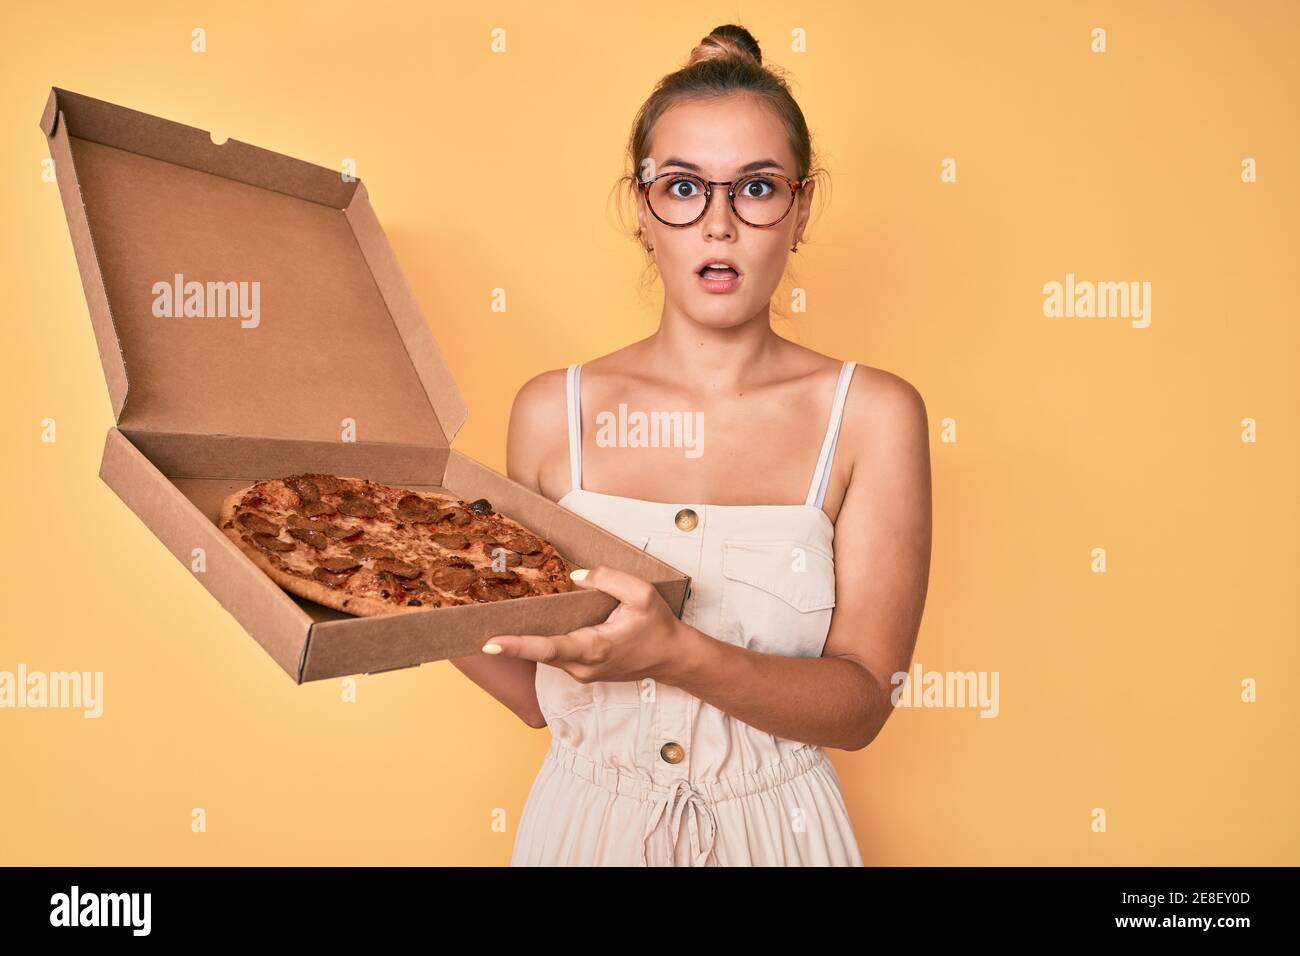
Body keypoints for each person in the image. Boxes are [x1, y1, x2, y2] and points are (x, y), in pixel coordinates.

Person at [449, 23, 931, 866]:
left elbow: (863, 706)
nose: (718, 224)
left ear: (802, 205)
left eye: (755, 187)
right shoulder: (548, 412)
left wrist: (679, 655)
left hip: (780, 838)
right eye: (682, 188)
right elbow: (535, 692)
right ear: (642, 209)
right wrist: (376, 604)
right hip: (582, 832)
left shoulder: (873, 415)